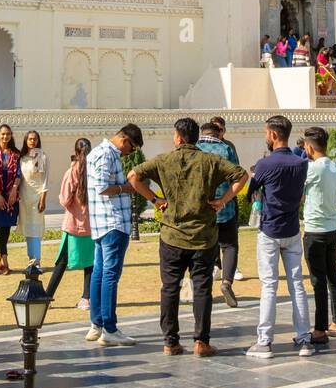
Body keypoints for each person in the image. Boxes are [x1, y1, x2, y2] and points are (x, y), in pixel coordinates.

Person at [130, 118, 246, 357]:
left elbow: (133, 176)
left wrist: (155, 199)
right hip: (203, 235)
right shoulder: (211, 161)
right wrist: (223, 201)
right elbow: (241, 175)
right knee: (202, 288)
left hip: (172, 234)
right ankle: (201, 342)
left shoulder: (164, 159)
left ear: (179, 137)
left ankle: (170, 341)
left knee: (170, 288)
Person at [246, 114, 313, 359]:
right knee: (297, 284)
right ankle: (304, 338)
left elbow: (251, 191)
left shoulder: (265, 164)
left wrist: (256, 181)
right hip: (292, 228)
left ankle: (265, 341)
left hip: (270, 229)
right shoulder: (301, 163)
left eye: (266, 133)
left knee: (269, 285)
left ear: (273, 135)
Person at [86, 123, 144, 346]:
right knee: (110, 274)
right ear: (125, 140)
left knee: (100, 273)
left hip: (102, 222)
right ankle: (109, 327)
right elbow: (102, 187)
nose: (131, 153)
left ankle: (97, 324)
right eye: (133, 148)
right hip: (112, 221)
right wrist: (125, 188)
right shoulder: (107, 154)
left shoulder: (97, 152)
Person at [301, 126, 336, 344]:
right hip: (331, 227)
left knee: (318, 281)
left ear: (309, 147)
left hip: (315, 229)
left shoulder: (313, 169)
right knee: (332, 277)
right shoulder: (334, 167)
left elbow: (298, 192)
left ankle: (319, 329)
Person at [44, 139, 95, 309]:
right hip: (91, 223)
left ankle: (48, 296)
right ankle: (86, 298)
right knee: (90, 262)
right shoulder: (95, 169)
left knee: (62, 261)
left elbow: (65, 200)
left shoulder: (72, 171)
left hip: (73, 223)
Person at [196, 122, 241, 307]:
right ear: (219, 134)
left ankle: (203, 288)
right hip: (225, 207)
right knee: (229, 246)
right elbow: (238, 176)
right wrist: (225, 199)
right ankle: (226, 282)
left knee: (203, 249)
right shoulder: (226, 149)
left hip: (201, 210)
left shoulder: (195, 149)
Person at [0, 124, 21, 274]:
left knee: (6, 227)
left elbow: (19, 174)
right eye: (2, 134)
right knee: (2, 227)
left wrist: (14, 191)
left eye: (7, 134)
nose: (5, 137)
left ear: (11, 135)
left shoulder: (16, 153)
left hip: (12, 196)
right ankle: (5, 262)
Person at [18, 130, 49, 264]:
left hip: (37, 197)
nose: (32, 141)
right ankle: (31, 259)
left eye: (35, 139)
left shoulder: (40, 156)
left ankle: (37, 261)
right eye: (30, 139)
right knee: (28, 228)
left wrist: (43, 199)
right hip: (24, 198)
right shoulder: (22, 157)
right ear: (26, 140)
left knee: (35, 229)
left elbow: (44, 180)